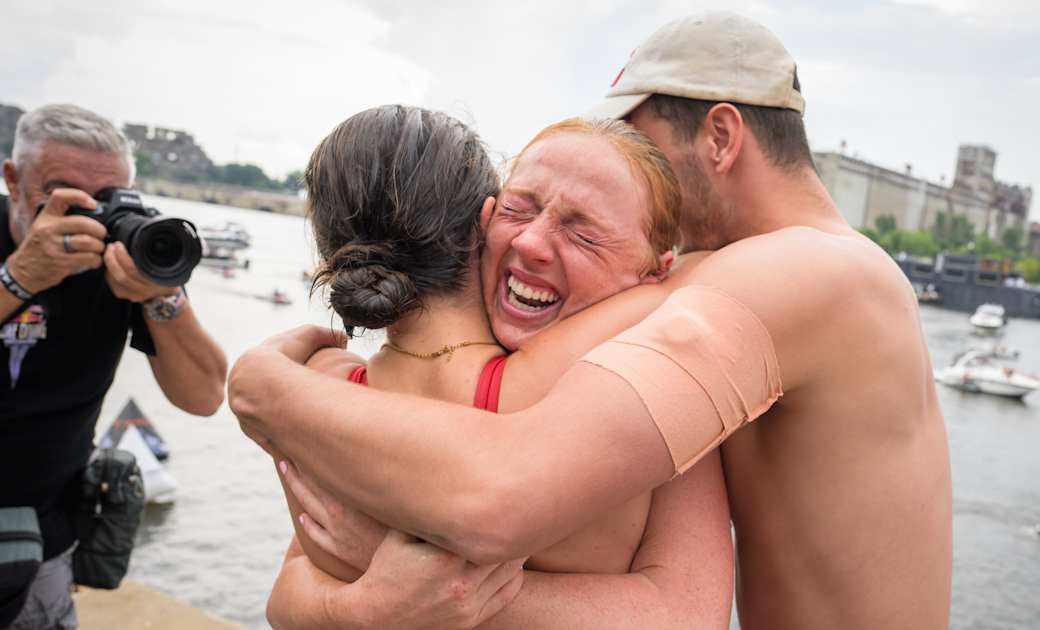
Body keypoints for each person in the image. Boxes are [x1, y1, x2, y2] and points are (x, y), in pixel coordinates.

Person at [231, 12, 952, 629]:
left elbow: (499, 492)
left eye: (639, 142)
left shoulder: (800, 273)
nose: (628, 166)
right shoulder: (775, 276)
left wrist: (266, 389)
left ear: (721, 138)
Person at [266, 107, 732, 628]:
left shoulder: (326, 388)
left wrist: (398, 581)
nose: (530, 243)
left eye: (585, 236)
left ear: (656, 270)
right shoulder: (597, 383)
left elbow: (689, 615)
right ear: (479, 223)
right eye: (517, 209)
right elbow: (285, 595)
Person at [0, 104, 227, 629]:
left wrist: (160, 296)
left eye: (105, 198)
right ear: (13, 180)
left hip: (42, 543)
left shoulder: (125, 255)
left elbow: (204, 396)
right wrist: (19, 277)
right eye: (62, 194)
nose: (88, 216)